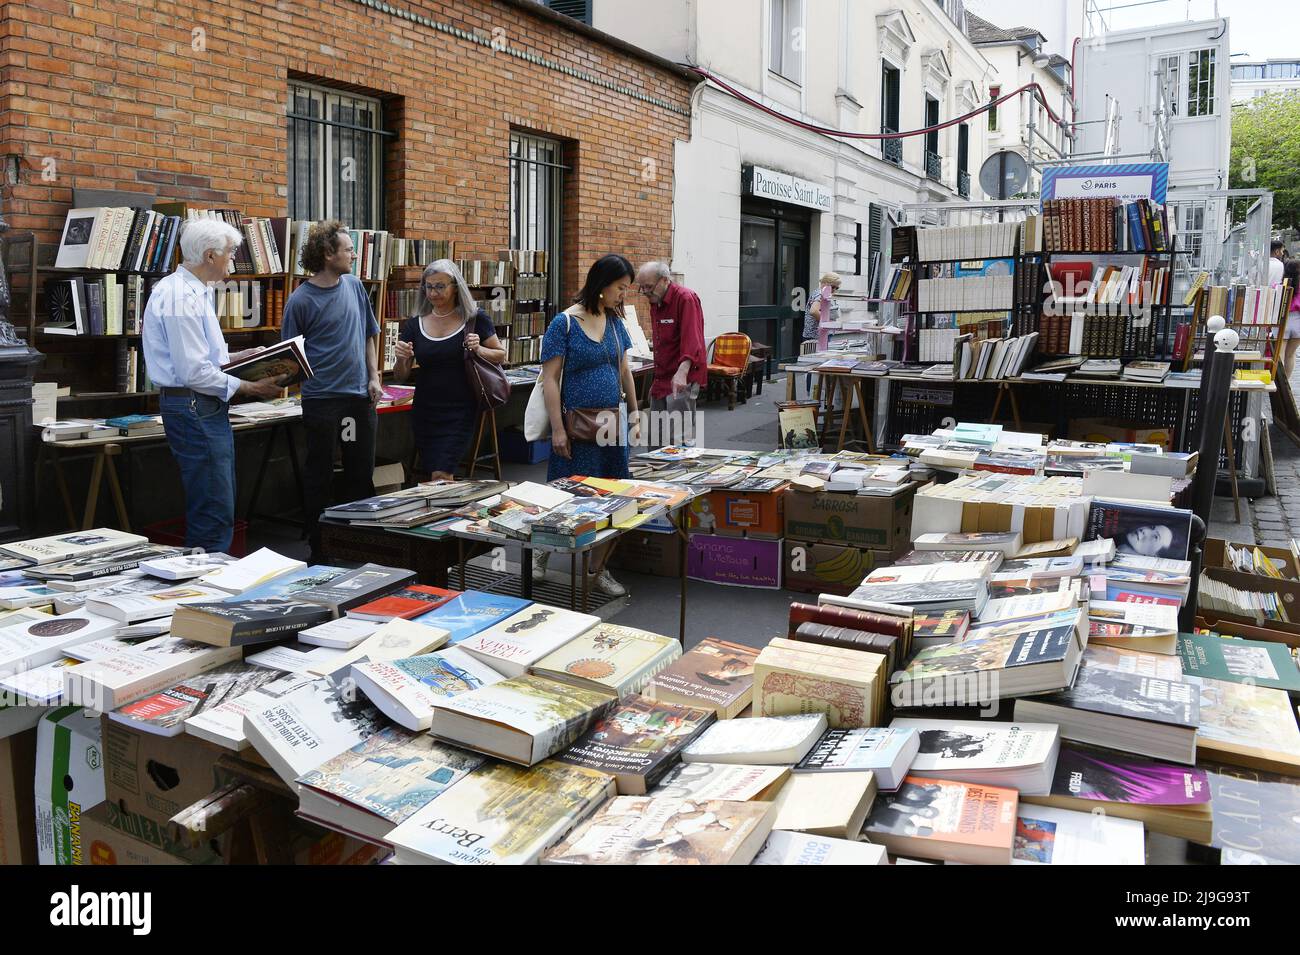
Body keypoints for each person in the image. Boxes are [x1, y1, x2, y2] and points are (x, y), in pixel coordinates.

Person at [142, 219, 284, 553]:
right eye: (230, 253)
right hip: (195, 405)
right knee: (213, 506)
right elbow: (193, 372)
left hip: (197, 404)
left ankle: (205, 585)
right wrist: (250, 388)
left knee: (215, 501)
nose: (232, 260)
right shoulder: (181, 297)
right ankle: (203, 592)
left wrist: (240, 356)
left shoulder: (190, 291)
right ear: (209, 255)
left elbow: (200, 359)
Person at [534, 254, 642, 597]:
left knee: (613, 496)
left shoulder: (615, 323)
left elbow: (625, 371)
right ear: (602, 284)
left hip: (611, 424)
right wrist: (558, 429)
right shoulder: (563, 323)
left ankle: (597, 569)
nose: (623, 295)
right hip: (575, 425)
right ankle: (541, 552)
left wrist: (636, 413)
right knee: (567, 495)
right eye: (620, 288)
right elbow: (550, 379)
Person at [281, 221, 383, 562]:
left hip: (357, 400)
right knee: (320, 474)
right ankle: (320, 547)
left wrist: (374, 377)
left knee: (359, 471)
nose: (353, 254)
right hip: (322, 401)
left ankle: (361, 543)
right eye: (347, 249)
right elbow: (288, 353)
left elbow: (370, 334)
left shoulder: (354, 286)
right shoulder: (300, 300)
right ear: (328, 254)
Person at [392, 260, 505, 481]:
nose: (433, 293)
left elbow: (501, 355)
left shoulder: (474, 319)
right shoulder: (415, 325)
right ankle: (443, 513)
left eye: (440, 286)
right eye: (429, 286)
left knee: (441, 474)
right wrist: (401, 359)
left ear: (456, 287)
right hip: (425, 410)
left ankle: (444, 513)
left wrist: (478, 348)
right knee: (433, 474)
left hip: (460, 409)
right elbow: (400, 375)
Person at [635, 261, 706, 446]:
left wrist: (682, 373)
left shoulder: (686, 298)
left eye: (648, 287)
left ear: (665, 280)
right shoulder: (656, 301)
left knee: (678, 441)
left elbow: (693, 339)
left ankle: (681, 473)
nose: (644, 292)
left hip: (681, 378)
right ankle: (652, 474)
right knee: (655, 440)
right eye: (641, 287)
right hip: (662, 378)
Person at [801, 272, 842, 393]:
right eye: (832, 286)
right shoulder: (820, 293)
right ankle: (812, 395)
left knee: (815, 366)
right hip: (816, 336)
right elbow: (814, 311)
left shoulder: (823, 293)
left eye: (836, 288)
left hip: (819, 335)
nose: (834, 290)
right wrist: (826, 323)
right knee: (814, 367)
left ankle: (815, 394)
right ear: (824, 283)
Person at [1282, 259, 1300, 380]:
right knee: (1290, 355)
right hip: (1298, 321)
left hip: (1283, 320)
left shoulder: (1280, 286)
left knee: (1280, 355)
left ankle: (1279, 384)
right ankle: (1286, 384)